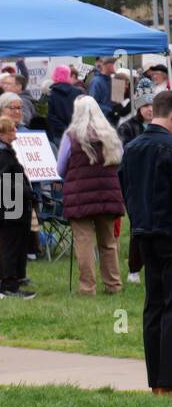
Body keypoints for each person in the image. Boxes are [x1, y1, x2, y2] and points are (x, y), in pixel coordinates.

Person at [119, 89, 172, 393]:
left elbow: (124, 186)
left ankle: (156, 381)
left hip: (143, 233)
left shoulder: (133, 147)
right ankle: (167, 380)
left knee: (153, 304)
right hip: (167, 231)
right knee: (169, 305)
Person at [58, 96, 125, 296]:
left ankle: (87, 288)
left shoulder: (71, 136)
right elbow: (120, 158)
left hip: (79, 197)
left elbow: (60, 168)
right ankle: (113, 284)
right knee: (108, 242)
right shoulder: (110, 135)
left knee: (84, 243)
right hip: (107, 194)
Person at [0, 115, 35, 299]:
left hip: (7, 206)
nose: (15, 132)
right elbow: (2, 181)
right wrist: (25, 190)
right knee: (9, 245)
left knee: (8, 244)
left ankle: (10, 281)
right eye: (12, 129)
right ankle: (8, 285)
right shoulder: (1, 155)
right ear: (1, 133)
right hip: (10, 206)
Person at [46, 64, 85, 146]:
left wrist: (65, 129)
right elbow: (83, 112)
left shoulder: (51, 94)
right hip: (77, 133)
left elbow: (51, 116)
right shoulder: (78, 92)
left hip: (59, 134)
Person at [88, 57, 118, 122]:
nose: (118, 67)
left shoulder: (113, 80)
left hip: (113, 120)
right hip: (102, 122)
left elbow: (116, 100)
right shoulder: (96, 82)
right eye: (116, 64)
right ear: (109, 65)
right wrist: (110, 110)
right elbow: (93, 103)